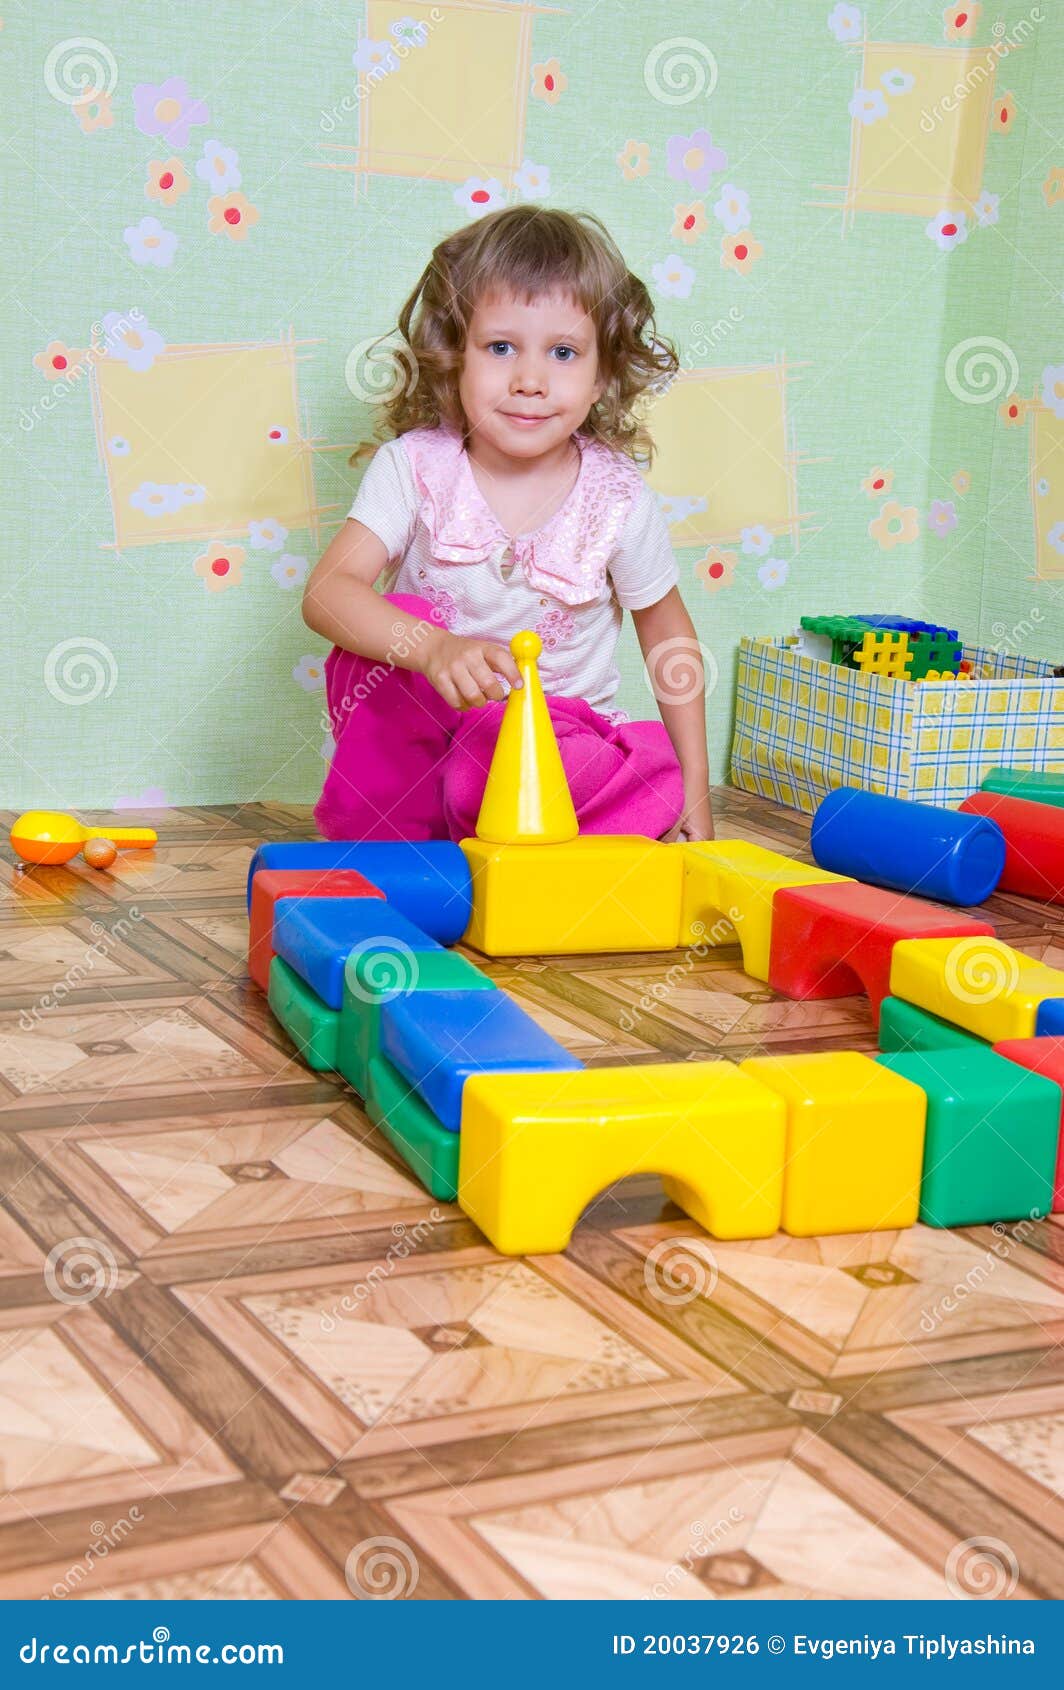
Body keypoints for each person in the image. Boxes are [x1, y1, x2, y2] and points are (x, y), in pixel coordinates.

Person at [303, 204, 715, 845]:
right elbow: (329, 592)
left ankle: (565, 832)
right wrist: (434, 648)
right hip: (429, 756)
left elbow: (667, 635)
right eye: (500, 348)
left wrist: (695, 789)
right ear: (453, 356)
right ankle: (400, 846)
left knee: (644, 773)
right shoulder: (414, 467)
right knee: (376, 652)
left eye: (563, 352)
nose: (529, 380)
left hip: (558, 749)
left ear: (602, 370)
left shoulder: (616, 498)